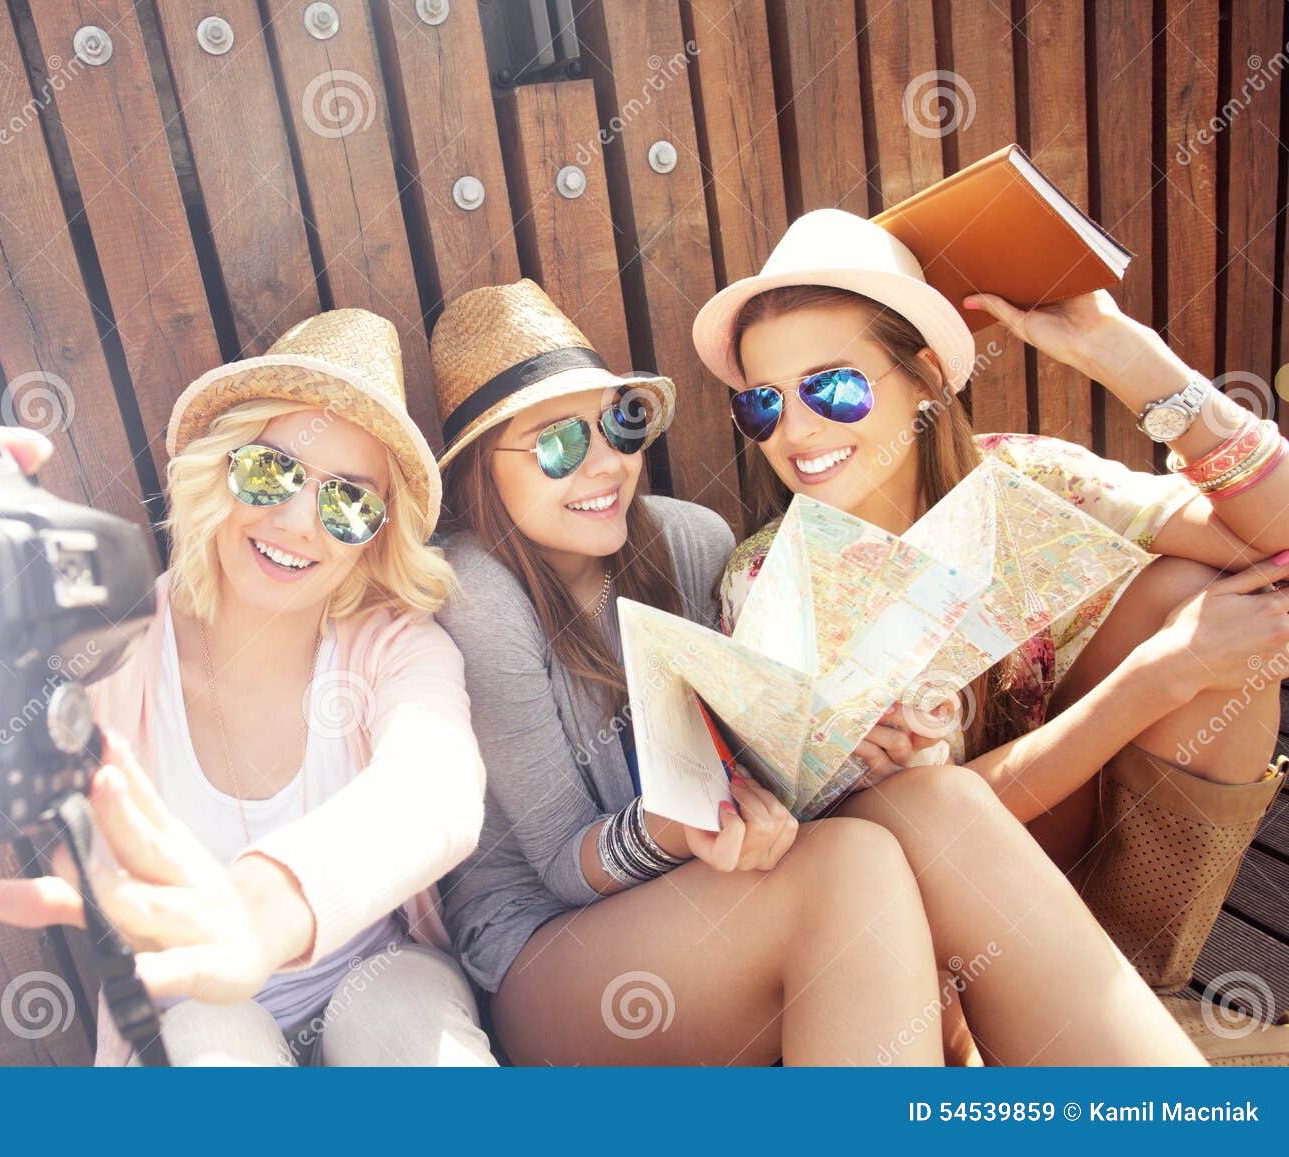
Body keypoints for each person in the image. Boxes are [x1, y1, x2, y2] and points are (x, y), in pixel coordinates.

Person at [0, 310, 497, 1067]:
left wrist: (264, 908)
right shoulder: (111, 641)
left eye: (349, 499)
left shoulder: (396, 649)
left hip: (378, 976)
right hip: (187, 1011)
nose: (297, 519)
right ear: (220, 473)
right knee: (214, 1039)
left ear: (376, 535)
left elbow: (434, 785)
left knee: (398, 1006)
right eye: (269, 469)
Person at [426, 279, 1200, 1065]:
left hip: (714, 900)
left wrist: (843, 750)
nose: (604, 464)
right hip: (550, 962)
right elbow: (562, 866)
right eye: (558, 444)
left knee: (930, 799)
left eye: (620, 425)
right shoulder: (477, 592)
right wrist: (692, 826)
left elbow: (736, 747)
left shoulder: (688, 540)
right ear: (478, 474)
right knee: (848, 870)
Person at [694, 208, 1288, 998]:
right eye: (761, 403)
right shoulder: (773, 579)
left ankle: (1140, 984)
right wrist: (1158, 678)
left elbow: (1273, 539)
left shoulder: (1023, 481)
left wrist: (1130, 360)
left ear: (929, 378)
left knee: (1203, 592)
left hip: (1073, 868)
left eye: (831, 388)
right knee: (930, 796)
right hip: (923, 951)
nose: (795, 430)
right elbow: (916, 837)